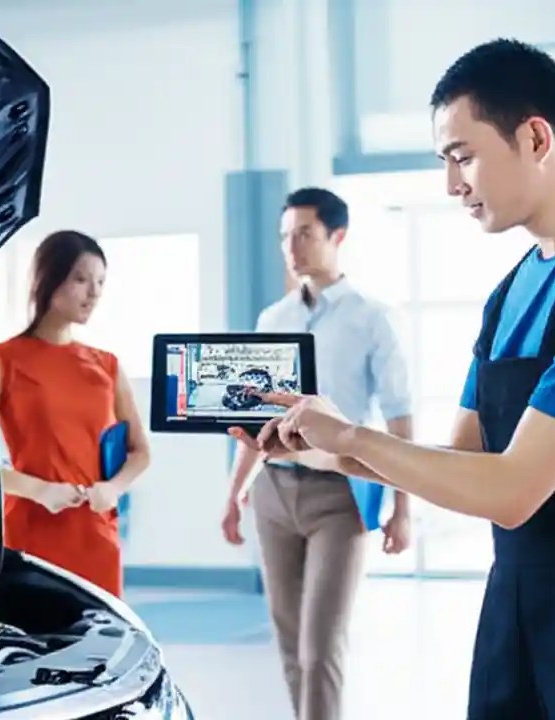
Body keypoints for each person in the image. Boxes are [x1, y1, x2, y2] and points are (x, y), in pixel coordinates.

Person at [237, 40, 555, 720]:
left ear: (535, 137)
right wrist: (319, 448)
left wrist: (355, 439)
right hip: (514, 592)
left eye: (462, 156)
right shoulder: (511, 292)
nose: (451, 184)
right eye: (444, 162)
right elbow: (462, 460)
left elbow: (512, 489)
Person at [222, 187, 414, 720]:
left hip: (341, 495)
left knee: (319, 649)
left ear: (337, 236)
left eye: (304, 234)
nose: (292, 247)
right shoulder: (273, 318)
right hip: (274, 491)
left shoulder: (373, 318)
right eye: (285, 236)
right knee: (289, 647)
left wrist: (402, 508)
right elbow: (256, 421)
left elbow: (399, 417)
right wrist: (235, 493)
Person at [0, 230, 150, 598]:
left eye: (100, 282)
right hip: (28, 535)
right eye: (81, 279)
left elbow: (141, 452)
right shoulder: (0, 361)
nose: (94, 292)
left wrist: (113, 488)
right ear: (48, 279)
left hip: (95, 538)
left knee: (101, 635)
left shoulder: (107, 365)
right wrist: (39, 489)